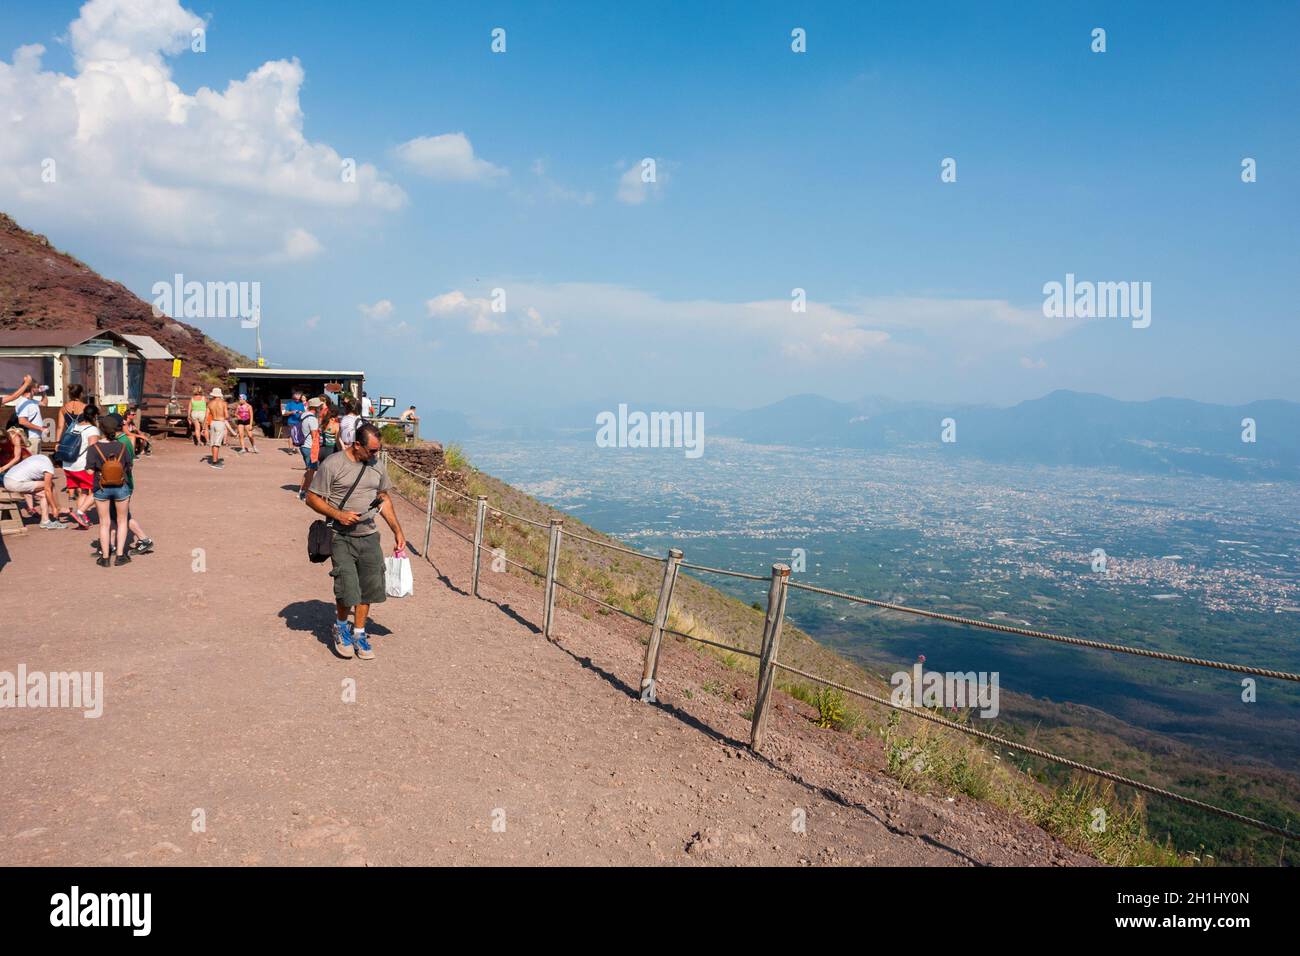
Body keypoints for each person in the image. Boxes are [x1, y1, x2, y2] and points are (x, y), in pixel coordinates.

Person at [305, 423, 406, 661]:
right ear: (356, 444)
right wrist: (338, 514)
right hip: (340, 536)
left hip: (369, 535)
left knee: (368, 588)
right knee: (347, 586)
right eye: (371, 450)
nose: (375, 455)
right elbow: (311, 497)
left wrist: (397, 531)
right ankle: (341, 628)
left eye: (377, 450)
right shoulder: (333, 464)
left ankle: (359, 633)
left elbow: (383, 498)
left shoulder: (377, 465)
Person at [90, 414, 154, 559]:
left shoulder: (122, 441)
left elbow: (127, 465)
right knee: (115, 516)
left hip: (120, 482)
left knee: (121, 517)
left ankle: (143, 539)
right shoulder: (122, 441)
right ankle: (110, 546)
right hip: (119, 482)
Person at [85, 414, 134, 566]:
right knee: (122, 521)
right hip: (121, 487)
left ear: (102, 430)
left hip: (101, 488)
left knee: (104, 523)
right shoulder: (123, 446)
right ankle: (120, 555)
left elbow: (89, 472)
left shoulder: (94, 448)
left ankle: (105, 557)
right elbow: (129, 467)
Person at [2, 443, 71, 530]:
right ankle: (54, 512)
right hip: (15, 483)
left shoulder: (41, 457)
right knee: (50, 485)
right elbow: (48, 489)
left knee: (43, 494)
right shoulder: (49, 467)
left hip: (8, 478)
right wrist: (54, 507)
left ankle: (45, 521)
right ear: (58, 464)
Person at [61, 405, 99, 529]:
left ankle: (82, 520)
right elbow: (93, 449)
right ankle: (80, 512)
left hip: (68, 464)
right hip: (82, 465)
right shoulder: (92, 429)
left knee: (83, 491)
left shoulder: (74, 426)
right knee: (98, 490)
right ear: (95, 416)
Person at [12, 380, 46, 456]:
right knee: (31, 464)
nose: (38, 389)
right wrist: (40, 428)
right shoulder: (24, 402)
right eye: (37, 387)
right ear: (32, 389)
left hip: (36, 438)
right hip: (30, 438)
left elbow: (44, 404)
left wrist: (43, 393)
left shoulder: (32, 401)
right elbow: (22, 421)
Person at [297, 398, 323, 500]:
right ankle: (304, 492)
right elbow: (314, 436)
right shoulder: (312, 419)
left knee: (308, 470)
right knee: (311, 471)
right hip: (309, 446)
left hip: (303, 445)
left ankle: (301, 490)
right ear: (316, 407)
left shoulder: (303, 415)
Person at [206, 387, 230, 469]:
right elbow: (226, 416)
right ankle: (215, 462)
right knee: (217, 443)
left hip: (213, 422)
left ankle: (214, 459)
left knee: (213, 443)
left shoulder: (210, 403)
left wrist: (203, 428)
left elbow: (206, 416)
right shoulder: (223, 403)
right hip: (220, 422)